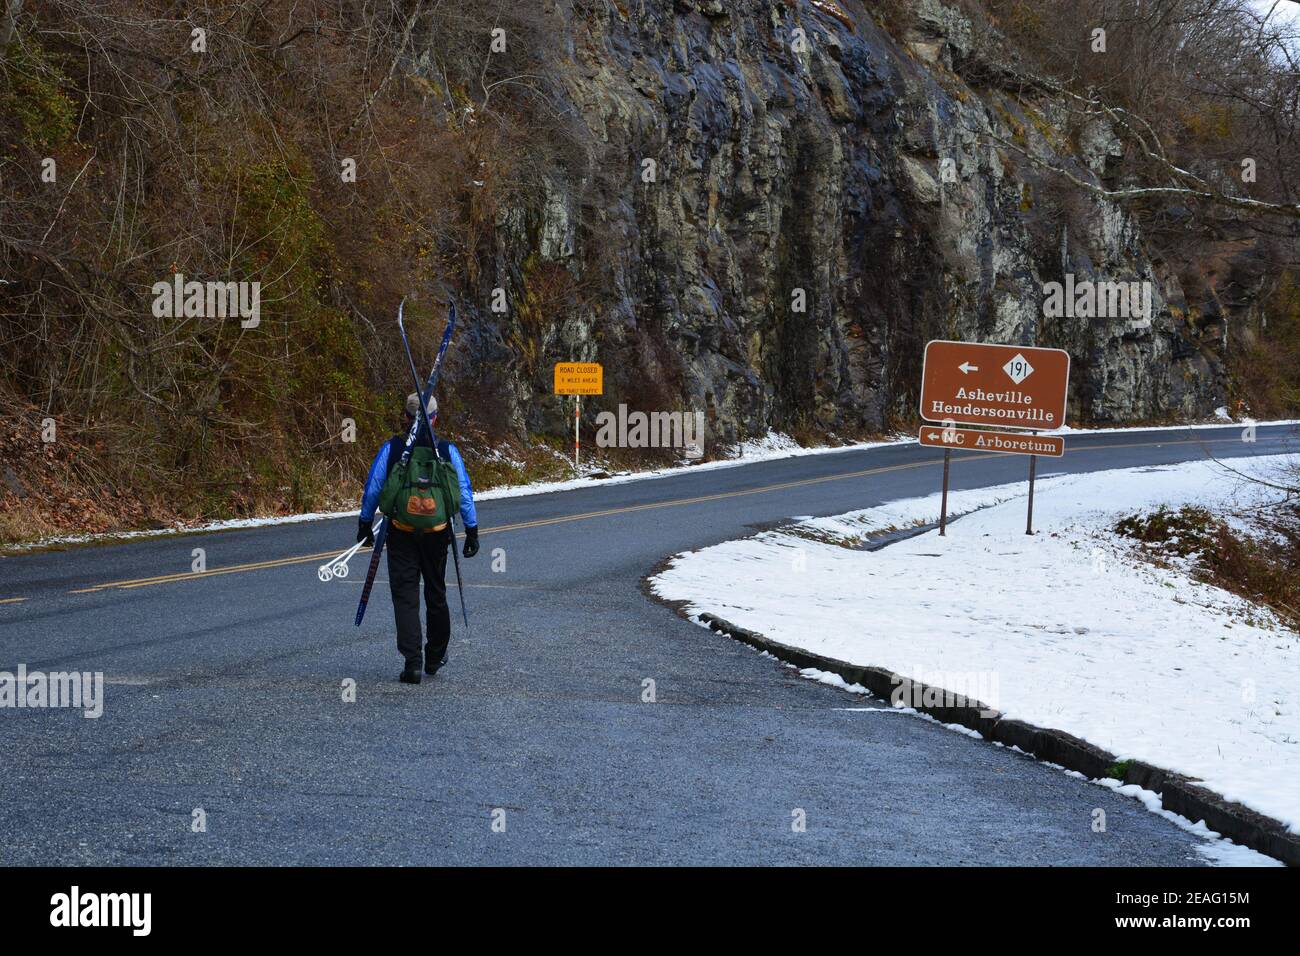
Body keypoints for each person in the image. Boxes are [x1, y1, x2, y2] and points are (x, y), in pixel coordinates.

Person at [358, 393, 479, 684]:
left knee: (405, 595)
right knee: (436, 594)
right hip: (437, 533)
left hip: (401, 531)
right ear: (435, 418)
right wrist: (471, 528)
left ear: (405, 417)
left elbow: (375, 486)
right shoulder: (447, 450)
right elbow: (462, 491)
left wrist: (365, 522)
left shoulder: (393, 448)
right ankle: (435, 656)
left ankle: (413, 662)